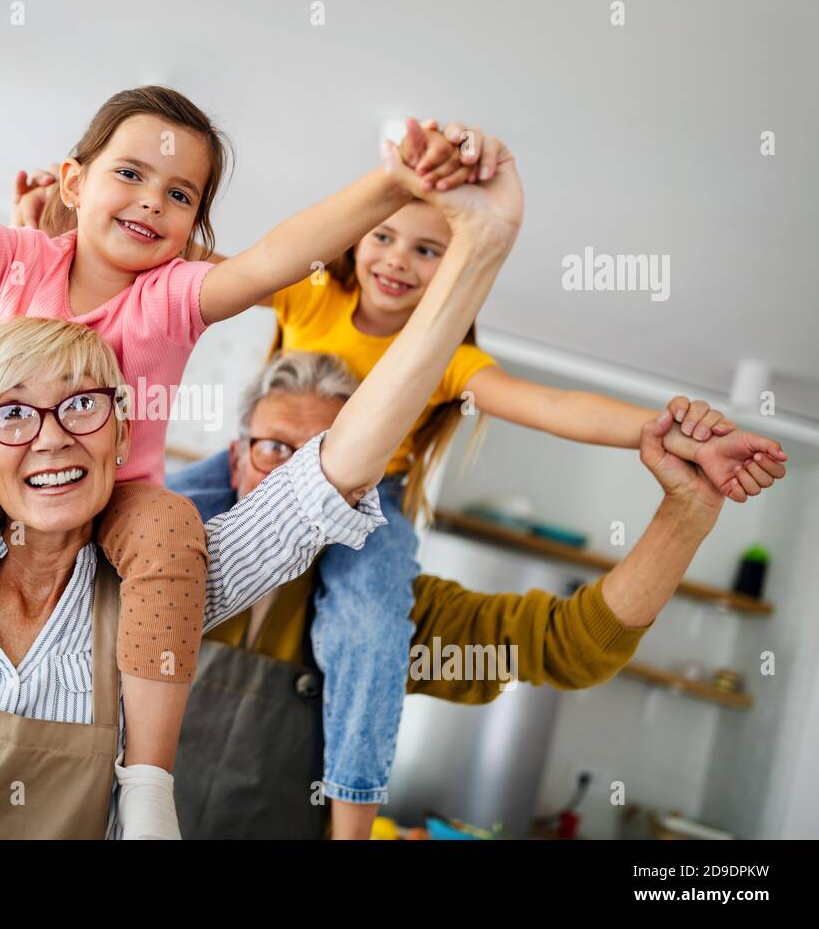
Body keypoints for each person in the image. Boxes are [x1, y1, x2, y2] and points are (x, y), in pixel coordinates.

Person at [0, 0, 527, 836]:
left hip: (135, 517)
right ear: (74, 181)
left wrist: (415, 200)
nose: (56, 435)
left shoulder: (160, 582)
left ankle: (148, 787)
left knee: (171, 518)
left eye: (88, 405)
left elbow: (324, 415)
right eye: (19, 411)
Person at [165, 349, 787, 837]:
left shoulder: (385, 618)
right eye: (276, 448)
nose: (298, 477)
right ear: (235, 457)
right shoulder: (157, 570)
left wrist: (686, 512)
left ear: (362, 481)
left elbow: (570, 645)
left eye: (324, 455)